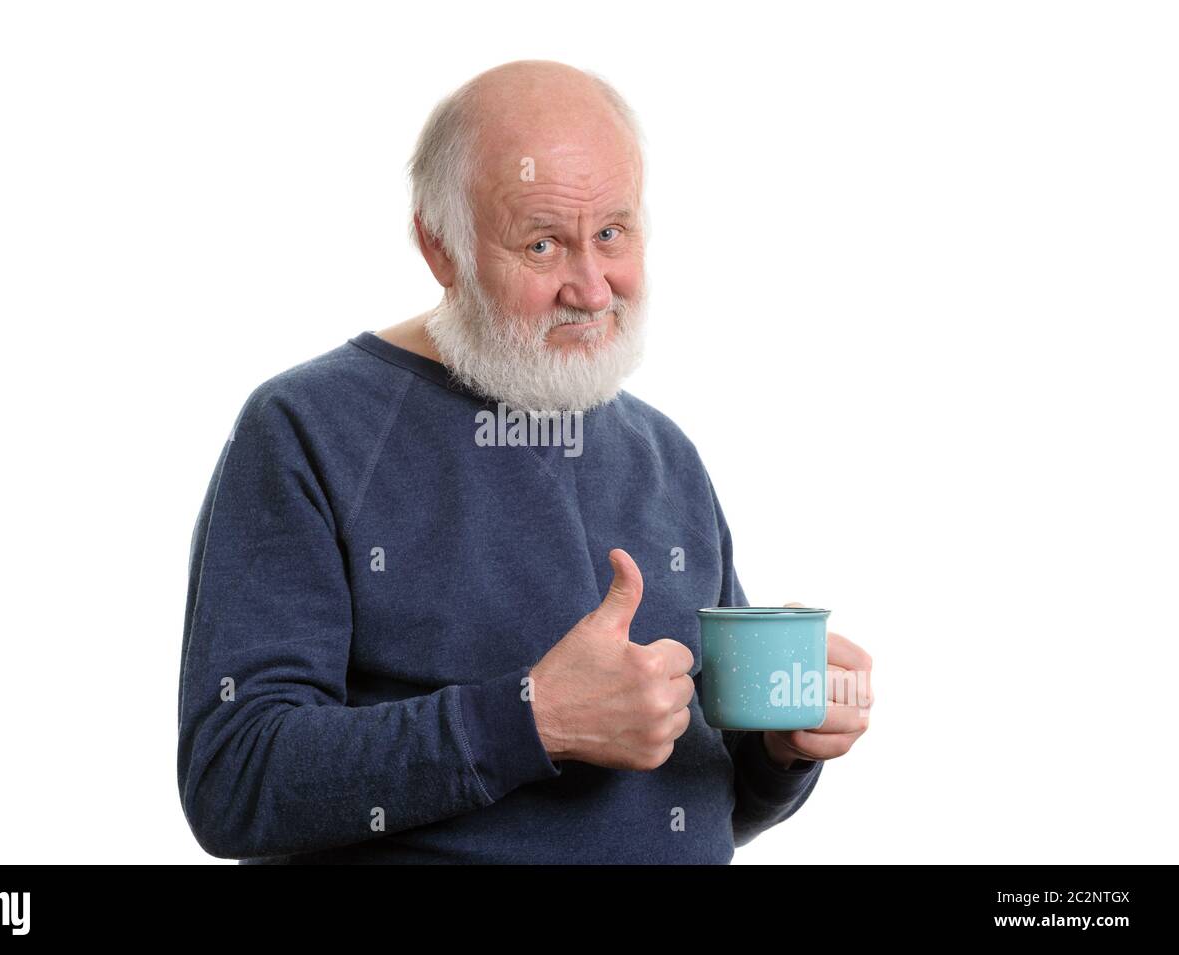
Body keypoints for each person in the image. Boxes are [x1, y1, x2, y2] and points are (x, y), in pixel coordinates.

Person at [177, 59, 873, 864]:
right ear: (441, 249)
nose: (591, 287)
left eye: (612, 232)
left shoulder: (666, 453)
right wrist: (534, 719)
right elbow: (235, 781)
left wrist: (784, 747)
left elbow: (697, 794)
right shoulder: (305, 429)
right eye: (543, 244)